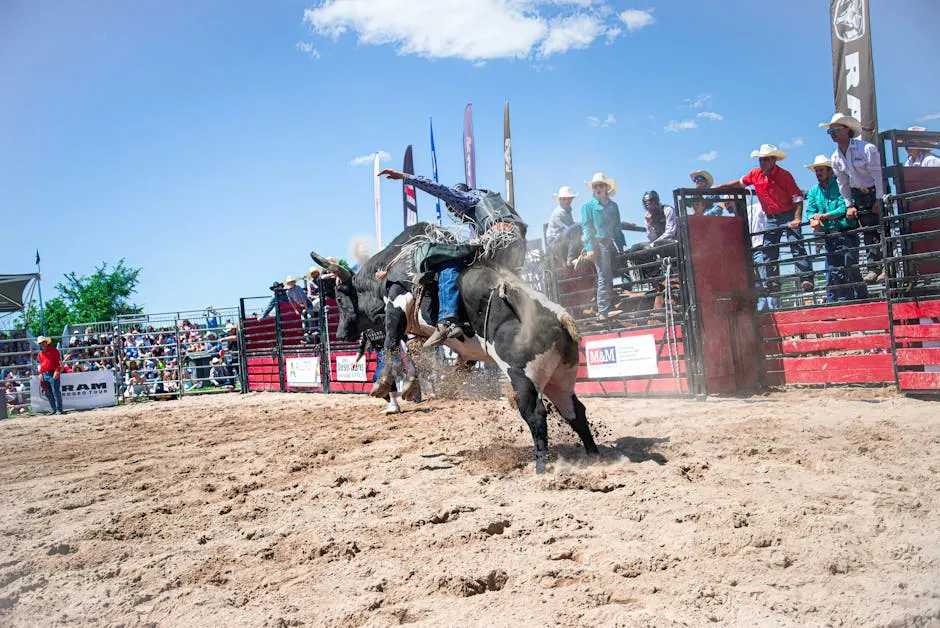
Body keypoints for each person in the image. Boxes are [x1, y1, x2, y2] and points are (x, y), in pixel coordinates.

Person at [377, 168, 527, 348]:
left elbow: (438, 188)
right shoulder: (494, 200)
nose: (455, 213)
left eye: (453, 208)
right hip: (516, 246)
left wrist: (405, 177)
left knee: (450, 263)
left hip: (498, 240)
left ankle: (447, 320)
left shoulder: (468, 198)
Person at [718, 144, 814, 292]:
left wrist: (796, 218)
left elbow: (797, 198)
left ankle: (806, 278)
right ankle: (772, 282)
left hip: (787, 214)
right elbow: (739, 183)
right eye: (761, 160)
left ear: (773, 160)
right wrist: (720, 187)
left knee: (795, 244)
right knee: (769, 249)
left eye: (765, 159)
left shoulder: (784, 176)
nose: (762, 162)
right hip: (772, 216)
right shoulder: (755, 174)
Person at [821, 113, 885, 283]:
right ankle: (875, 267)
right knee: (868, 231)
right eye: (830, 131)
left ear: (847, 130)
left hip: (874, 191)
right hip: (859, 193)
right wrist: (849, 204)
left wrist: (879, 198)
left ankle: (886, 266)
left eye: (835, 129)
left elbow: (878, 175)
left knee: (881, 229)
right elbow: (843, 183)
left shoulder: (866, 149)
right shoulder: (836, 157)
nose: (832, 133)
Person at [805, 154, 868, 303]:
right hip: (831, 234)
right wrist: (813, 217)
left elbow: (843, 207)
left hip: (845, 232)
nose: (818, 173)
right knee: (835, 269)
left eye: (821, 170)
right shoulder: (814, 191)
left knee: (850, 265)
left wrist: (823, 216)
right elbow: (810, 210)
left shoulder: (841, 185)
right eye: (816, 170)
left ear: (829, 171)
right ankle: (846, 299)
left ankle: (860, 298)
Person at [581, 172, 626, 318]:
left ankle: (608, 305)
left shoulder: (613, 206)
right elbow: (586, 227)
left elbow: (617, 227)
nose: (598, 188)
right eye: (595, 186)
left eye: (600, 185)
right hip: (598, 243)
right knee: (603, 275)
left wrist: (621, 244)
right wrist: (589, 248)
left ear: (606, 188)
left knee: (609, 274)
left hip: (609, 243)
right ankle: (603, 309)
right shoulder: (588, 207)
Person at [624, 191, 678, 302]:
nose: (650, 206)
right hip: (657, 243)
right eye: (647, 204)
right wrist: (649, 223)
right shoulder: (648, 216)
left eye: (652, 203)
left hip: (672, 242)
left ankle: (669, 275)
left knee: (657, 245)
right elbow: (651, 238)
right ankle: (653, 275)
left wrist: (654, 244)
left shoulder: (667, 210)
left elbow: (670, 231)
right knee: (635, 248)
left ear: (656, 201)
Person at [545, 186, 582, 267]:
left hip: (560, 240)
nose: (567, 201)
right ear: (560, 200)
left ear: (572, 199)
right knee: (578, 227)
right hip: (555, 243)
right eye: (564, 199)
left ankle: (575, 256)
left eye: (569, 199)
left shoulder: (567, 212)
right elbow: (571, 230)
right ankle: (571, 258)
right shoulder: (559, 213)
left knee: (578, 228)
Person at [37, 336, 63, 415]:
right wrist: (41, 373)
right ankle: (54, 409)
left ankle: (59, 409)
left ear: (46, 342)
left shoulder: (53, 350)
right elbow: (42, 365)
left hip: (52, 373)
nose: (42, 344)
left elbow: (58, 362)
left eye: (43, 342)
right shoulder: (40, 354)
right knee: (48, 393)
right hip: (45, 374)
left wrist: (57, 371)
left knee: (55, 392)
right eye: (41, 343)